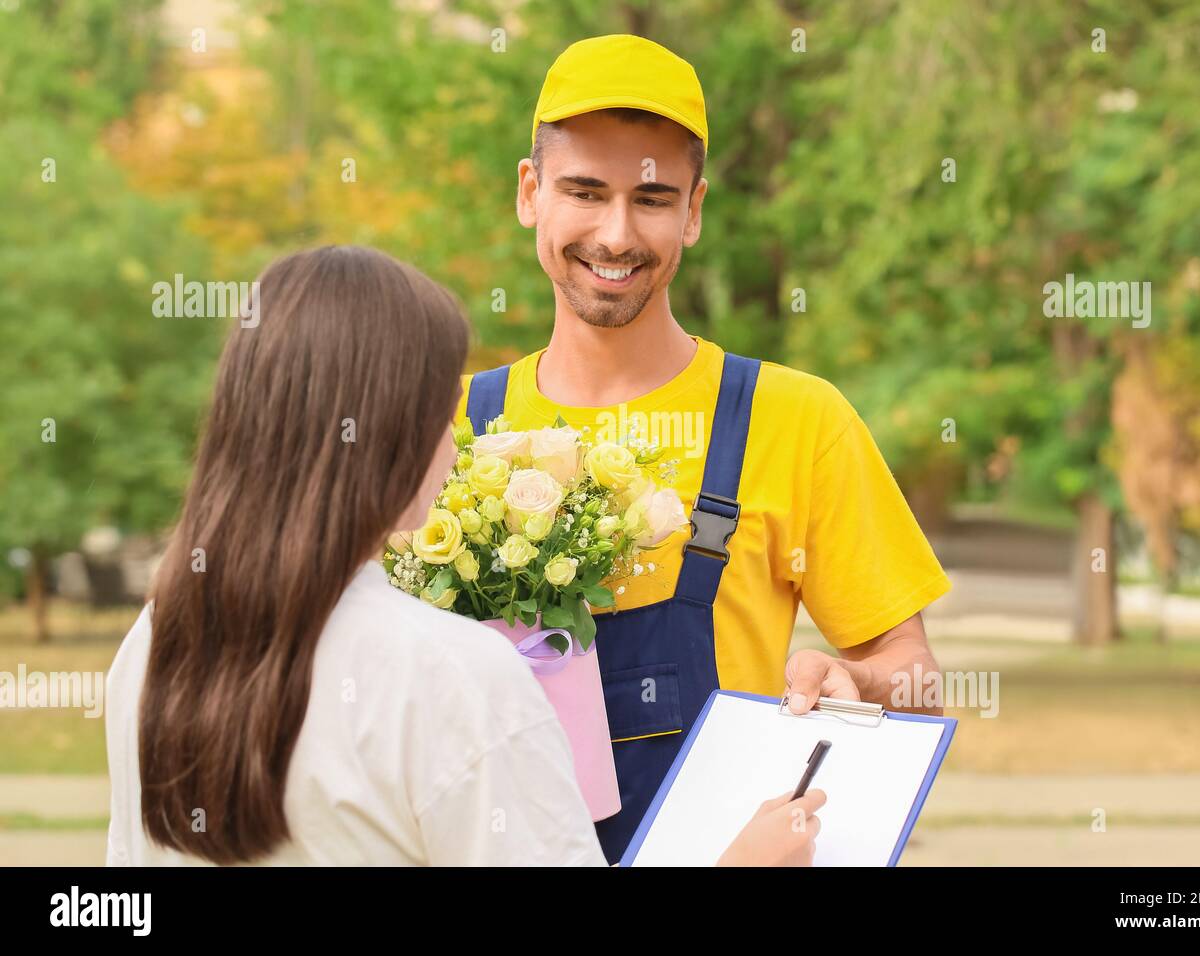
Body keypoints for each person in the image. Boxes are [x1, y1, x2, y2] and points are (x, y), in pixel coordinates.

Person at [104, 245, 824, 866]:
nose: (452, 448)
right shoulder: (455, 675)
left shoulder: (153, 647)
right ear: (388, 433)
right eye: (435, 416)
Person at [457, 34, 952, 862]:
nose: (616, 236)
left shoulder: (797, 420)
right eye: (584, 191)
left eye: (651, 198)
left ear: (693, 210)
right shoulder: (454, 428)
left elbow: (918, 675)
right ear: (529, 191)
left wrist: (858, 683)